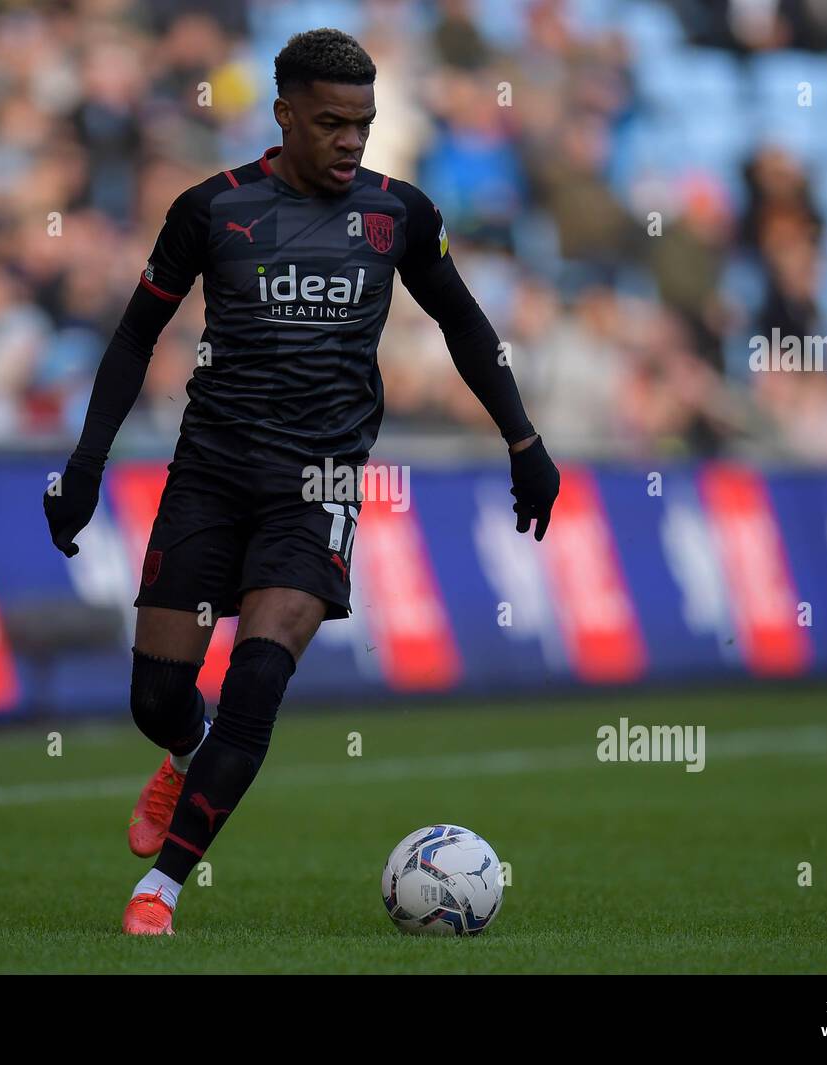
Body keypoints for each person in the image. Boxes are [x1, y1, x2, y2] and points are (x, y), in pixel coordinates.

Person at [43, 28, 560, 935]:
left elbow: (467, 326)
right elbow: (134, 337)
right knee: (156, 696)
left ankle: (159, 890)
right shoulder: (212, 210)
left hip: (318, 486)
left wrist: (524, 441)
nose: (351, 141)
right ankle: (181, 752)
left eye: (363, 123)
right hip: (209, 473)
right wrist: (86, 463)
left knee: (258, 680)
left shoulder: (399, 215)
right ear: (283, 115)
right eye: (331, 123)